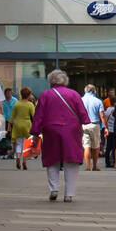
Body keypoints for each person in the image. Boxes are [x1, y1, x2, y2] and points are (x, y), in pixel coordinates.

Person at [31, 69, 87, 202]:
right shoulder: (74, 94)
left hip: (51, 129)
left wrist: (35, 133)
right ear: (65, 81)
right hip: (71, 130)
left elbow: (39, 116)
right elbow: (83, 114)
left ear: (50, 81)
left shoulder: (45, 95)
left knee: (52, 159)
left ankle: (54, 188)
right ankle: (69, 194)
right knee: (71, 160)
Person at [80, 83, 104, 172]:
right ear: (94, 91)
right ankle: (95, 166)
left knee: (86, 146)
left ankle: (87, 166)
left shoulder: (80, 100)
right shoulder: (98, 101)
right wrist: (105, 127)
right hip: (95, 125)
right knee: (95, 146)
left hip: (84, 125)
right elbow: (102, 115)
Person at [10, 87, 36, 169]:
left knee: (18, 143)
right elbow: (34, 116)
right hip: (27, 124)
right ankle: (24, 161)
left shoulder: (17, 103)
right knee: (26, 144)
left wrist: (9, 125)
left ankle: (18, 157)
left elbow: (12, 116)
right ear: (29, 95)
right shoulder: (30, 104)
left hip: (17, 124)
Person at [0, 87, 17, 158]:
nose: (9, 94)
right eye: (7, 93)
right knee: (2, 136)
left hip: (12, 121)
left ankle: (11, 151)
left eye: (10, 93)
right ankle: (2, 151)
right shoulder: (2, 101)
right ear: (5, 94)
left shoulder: (15, 100)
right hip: (3, 121)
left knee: (12, 136)